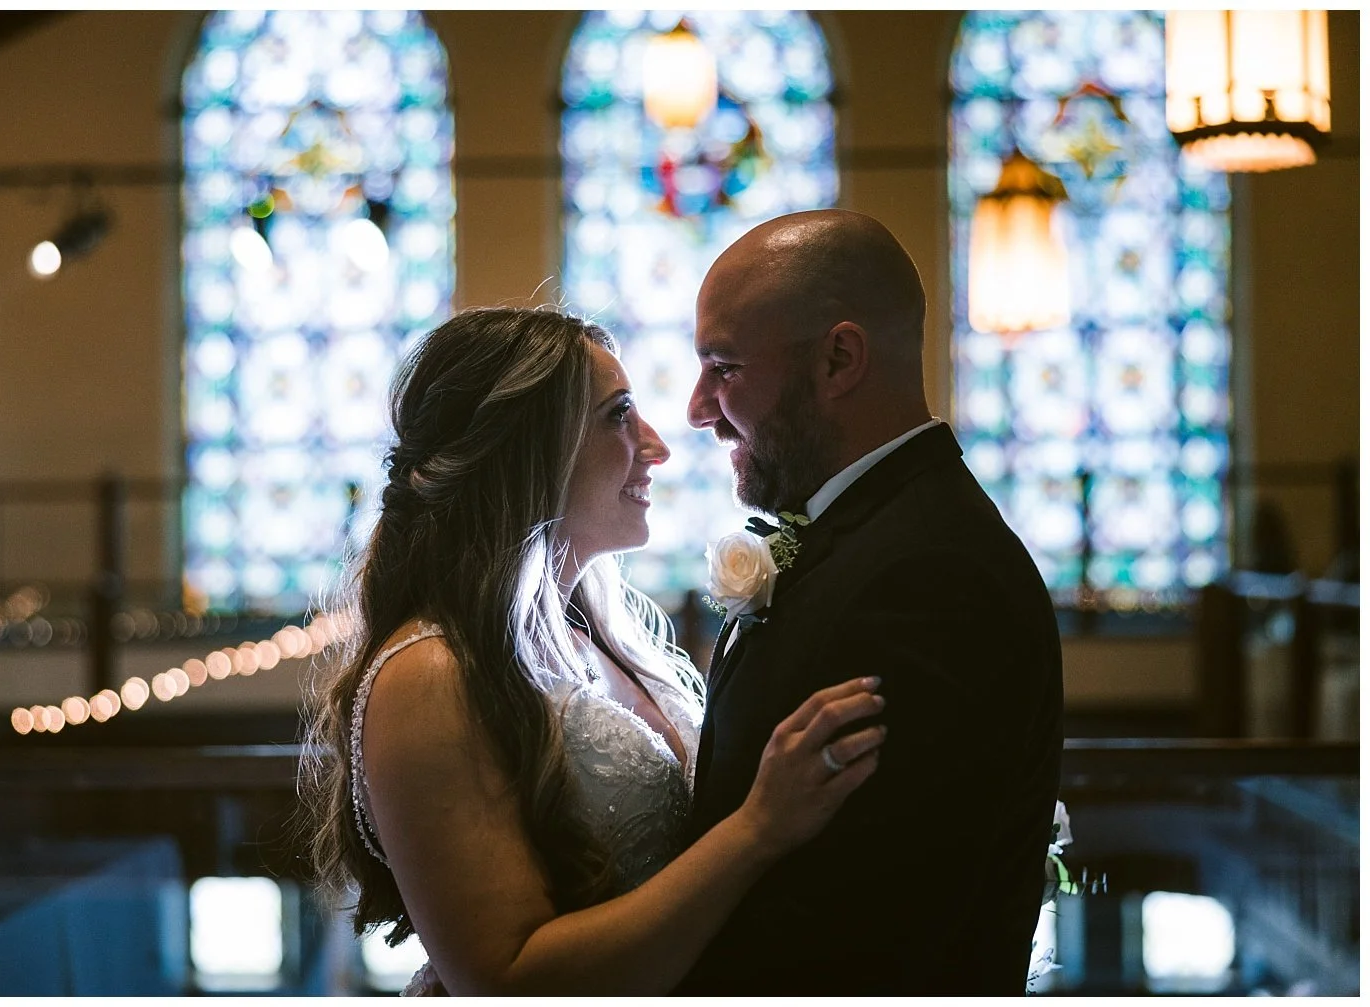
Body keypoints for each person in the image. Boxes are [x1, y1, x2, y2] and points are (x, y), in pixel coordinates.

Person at [299, 307, 889, 995]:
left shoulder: (598, 632)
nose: (657, 445)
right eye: (618, 415)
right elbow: (506, 980)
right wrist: (759, 828)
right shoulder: (430, 673)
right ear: (527, 447)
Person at [676, 209, 1064, 994]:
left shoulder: (932, 577)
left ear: (839, 358)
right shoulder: (868, 534)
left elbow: (866, 926)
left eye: (725, 368)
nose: (697, 408)